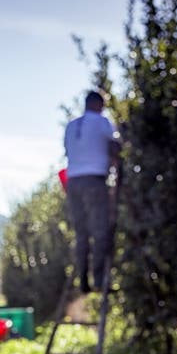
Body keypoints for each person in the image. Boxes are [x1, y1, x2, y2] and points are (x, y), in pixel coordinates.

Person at [63, 90, 120, 293]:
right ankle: (98, 279)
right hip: (94, 180)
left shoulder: (71, 126)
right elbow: (115, 147)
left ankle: (83, 281)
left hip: (73, 182)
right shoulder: (101, 122)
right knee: (100, 231)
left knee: (81, 233)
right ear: (98, 104)